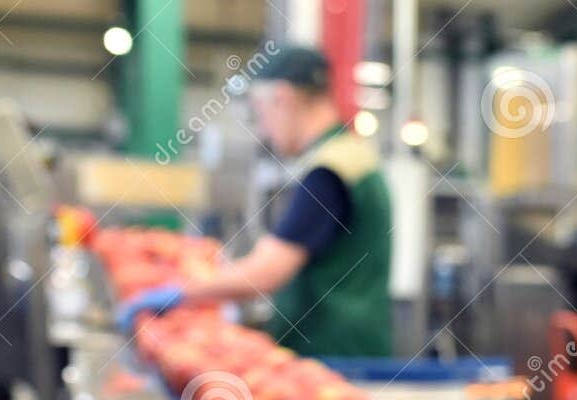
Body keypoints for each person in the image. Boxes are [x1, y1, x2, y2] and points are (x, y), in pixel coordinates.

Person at [116, 46, 394, 357]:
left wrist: (178, 293)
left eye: (261, 112)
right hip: (351, 347)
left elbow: (264, 272)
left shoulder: (329, 172)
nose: (263, 129)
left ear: (283, 97)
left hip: (334, 355)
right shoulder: (353, 157)